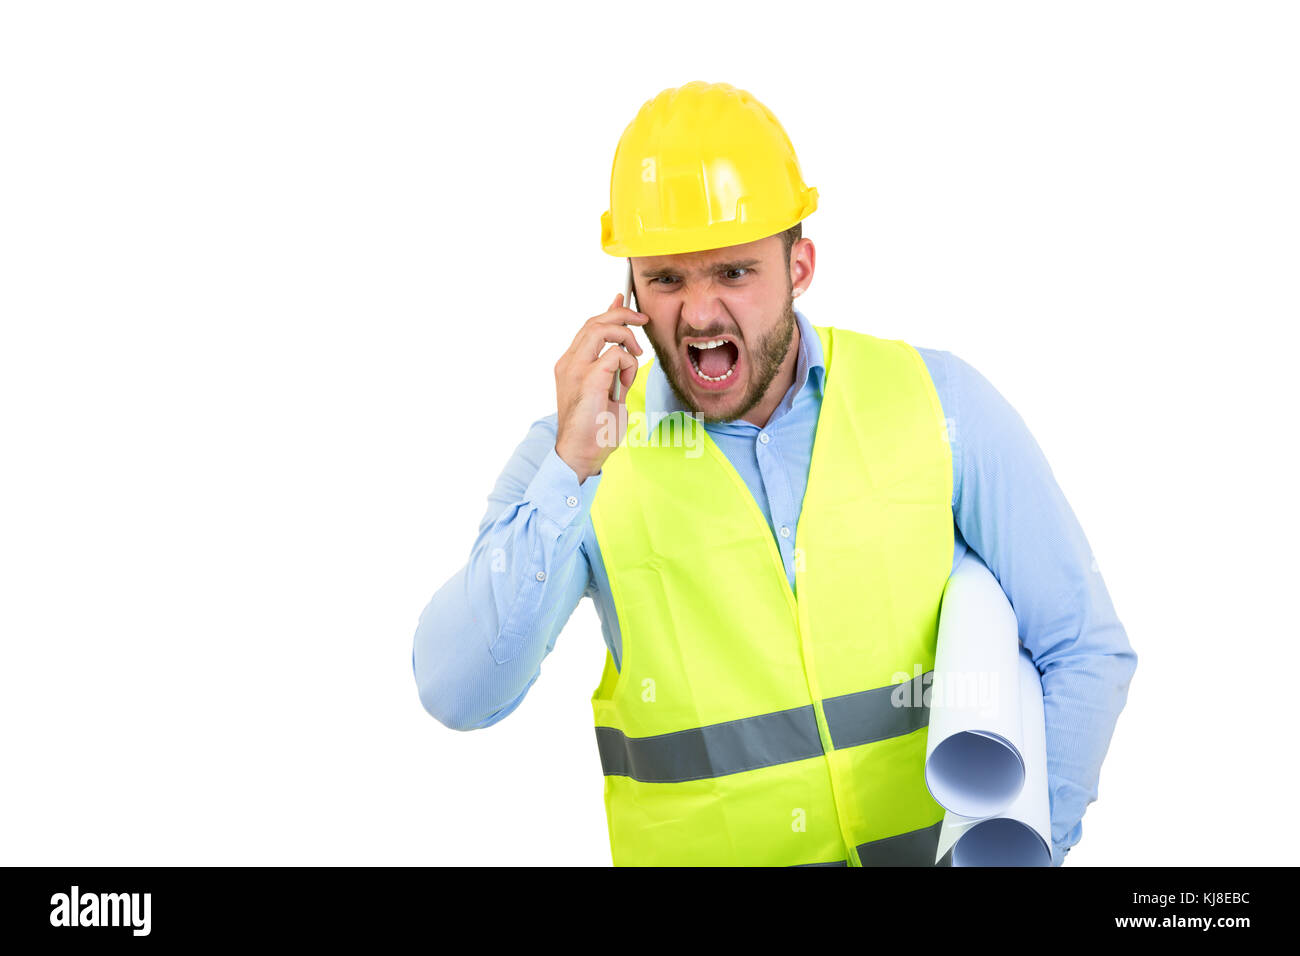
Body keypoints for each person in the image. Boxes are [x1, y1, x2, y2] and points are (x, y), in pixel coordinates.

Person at [412, 81, 1137, 866]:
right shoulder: (577, 452)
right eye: (666, 280)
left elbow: (1083, 647)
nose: (698, 313)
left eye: (732, 273)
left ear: (800, 265)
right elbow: (459, 690)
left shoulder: (940, 402)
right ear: (628, 294)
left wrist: (1024, 848)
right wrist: (571, 467)